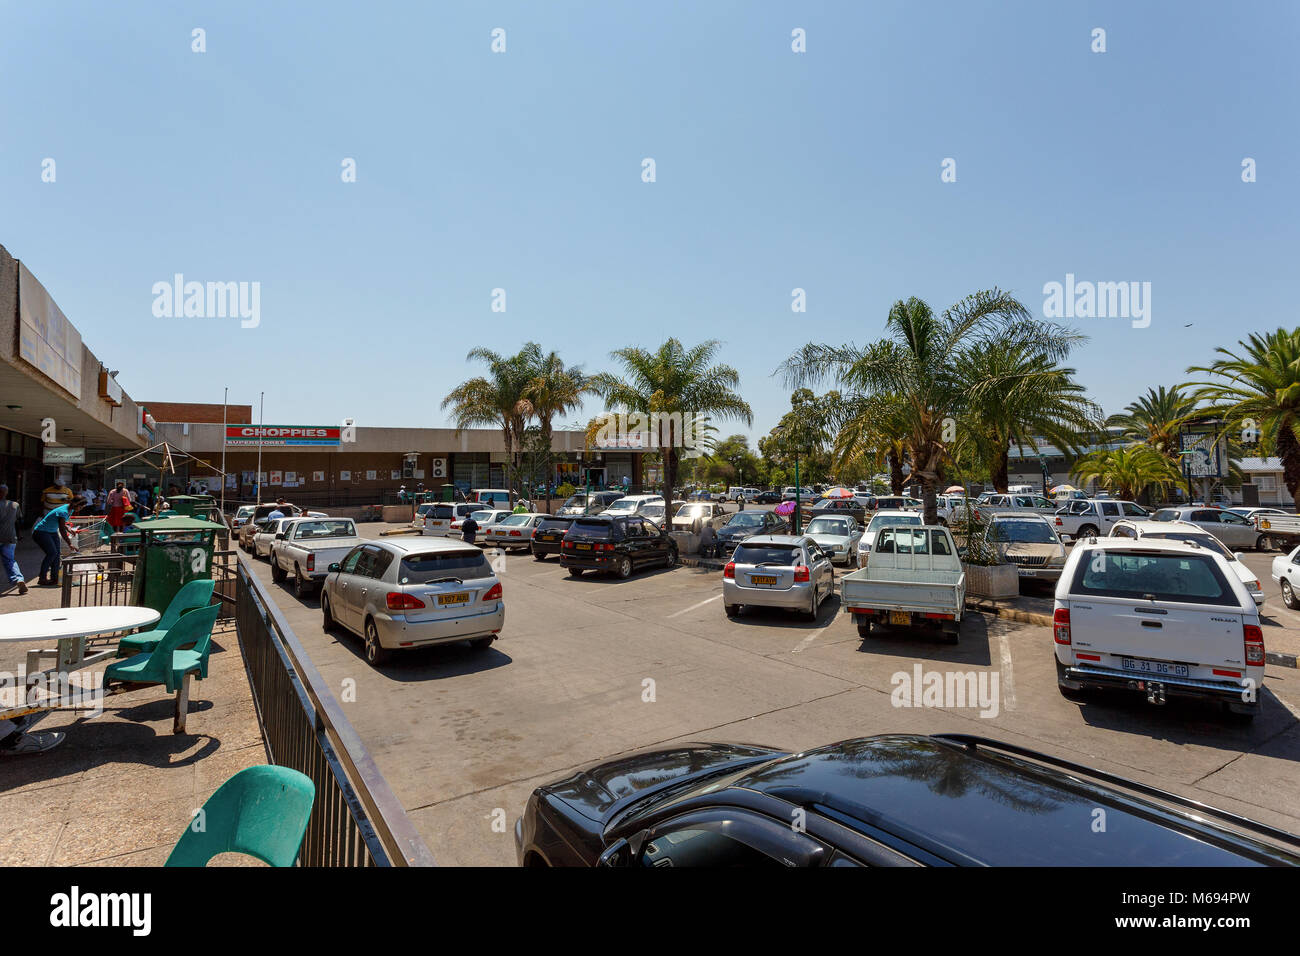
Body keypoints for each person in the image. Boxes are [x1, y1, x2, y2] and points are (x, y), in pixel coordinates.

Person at [32, 499, 77, 587]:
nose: (81, 508)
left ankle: (54, 578)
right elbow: (62, 530)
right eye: (81, 506)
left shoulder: (70, 509)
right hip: (41, 532)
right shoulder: (63, 511)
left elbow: (62, 523)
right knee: (52, 553)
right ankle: (42, 578)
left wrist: (68, 528)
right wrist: (69, 543)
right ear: (76, 504)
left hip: (52, 532)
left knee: (57, 554)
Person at [0, 485, 26, 595]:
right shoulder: (15, 505)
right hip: (10, 537)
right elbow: (19, 522)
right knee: (10, 560)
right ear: (6, 492)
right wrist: (19, 535)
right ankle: (18, 579)